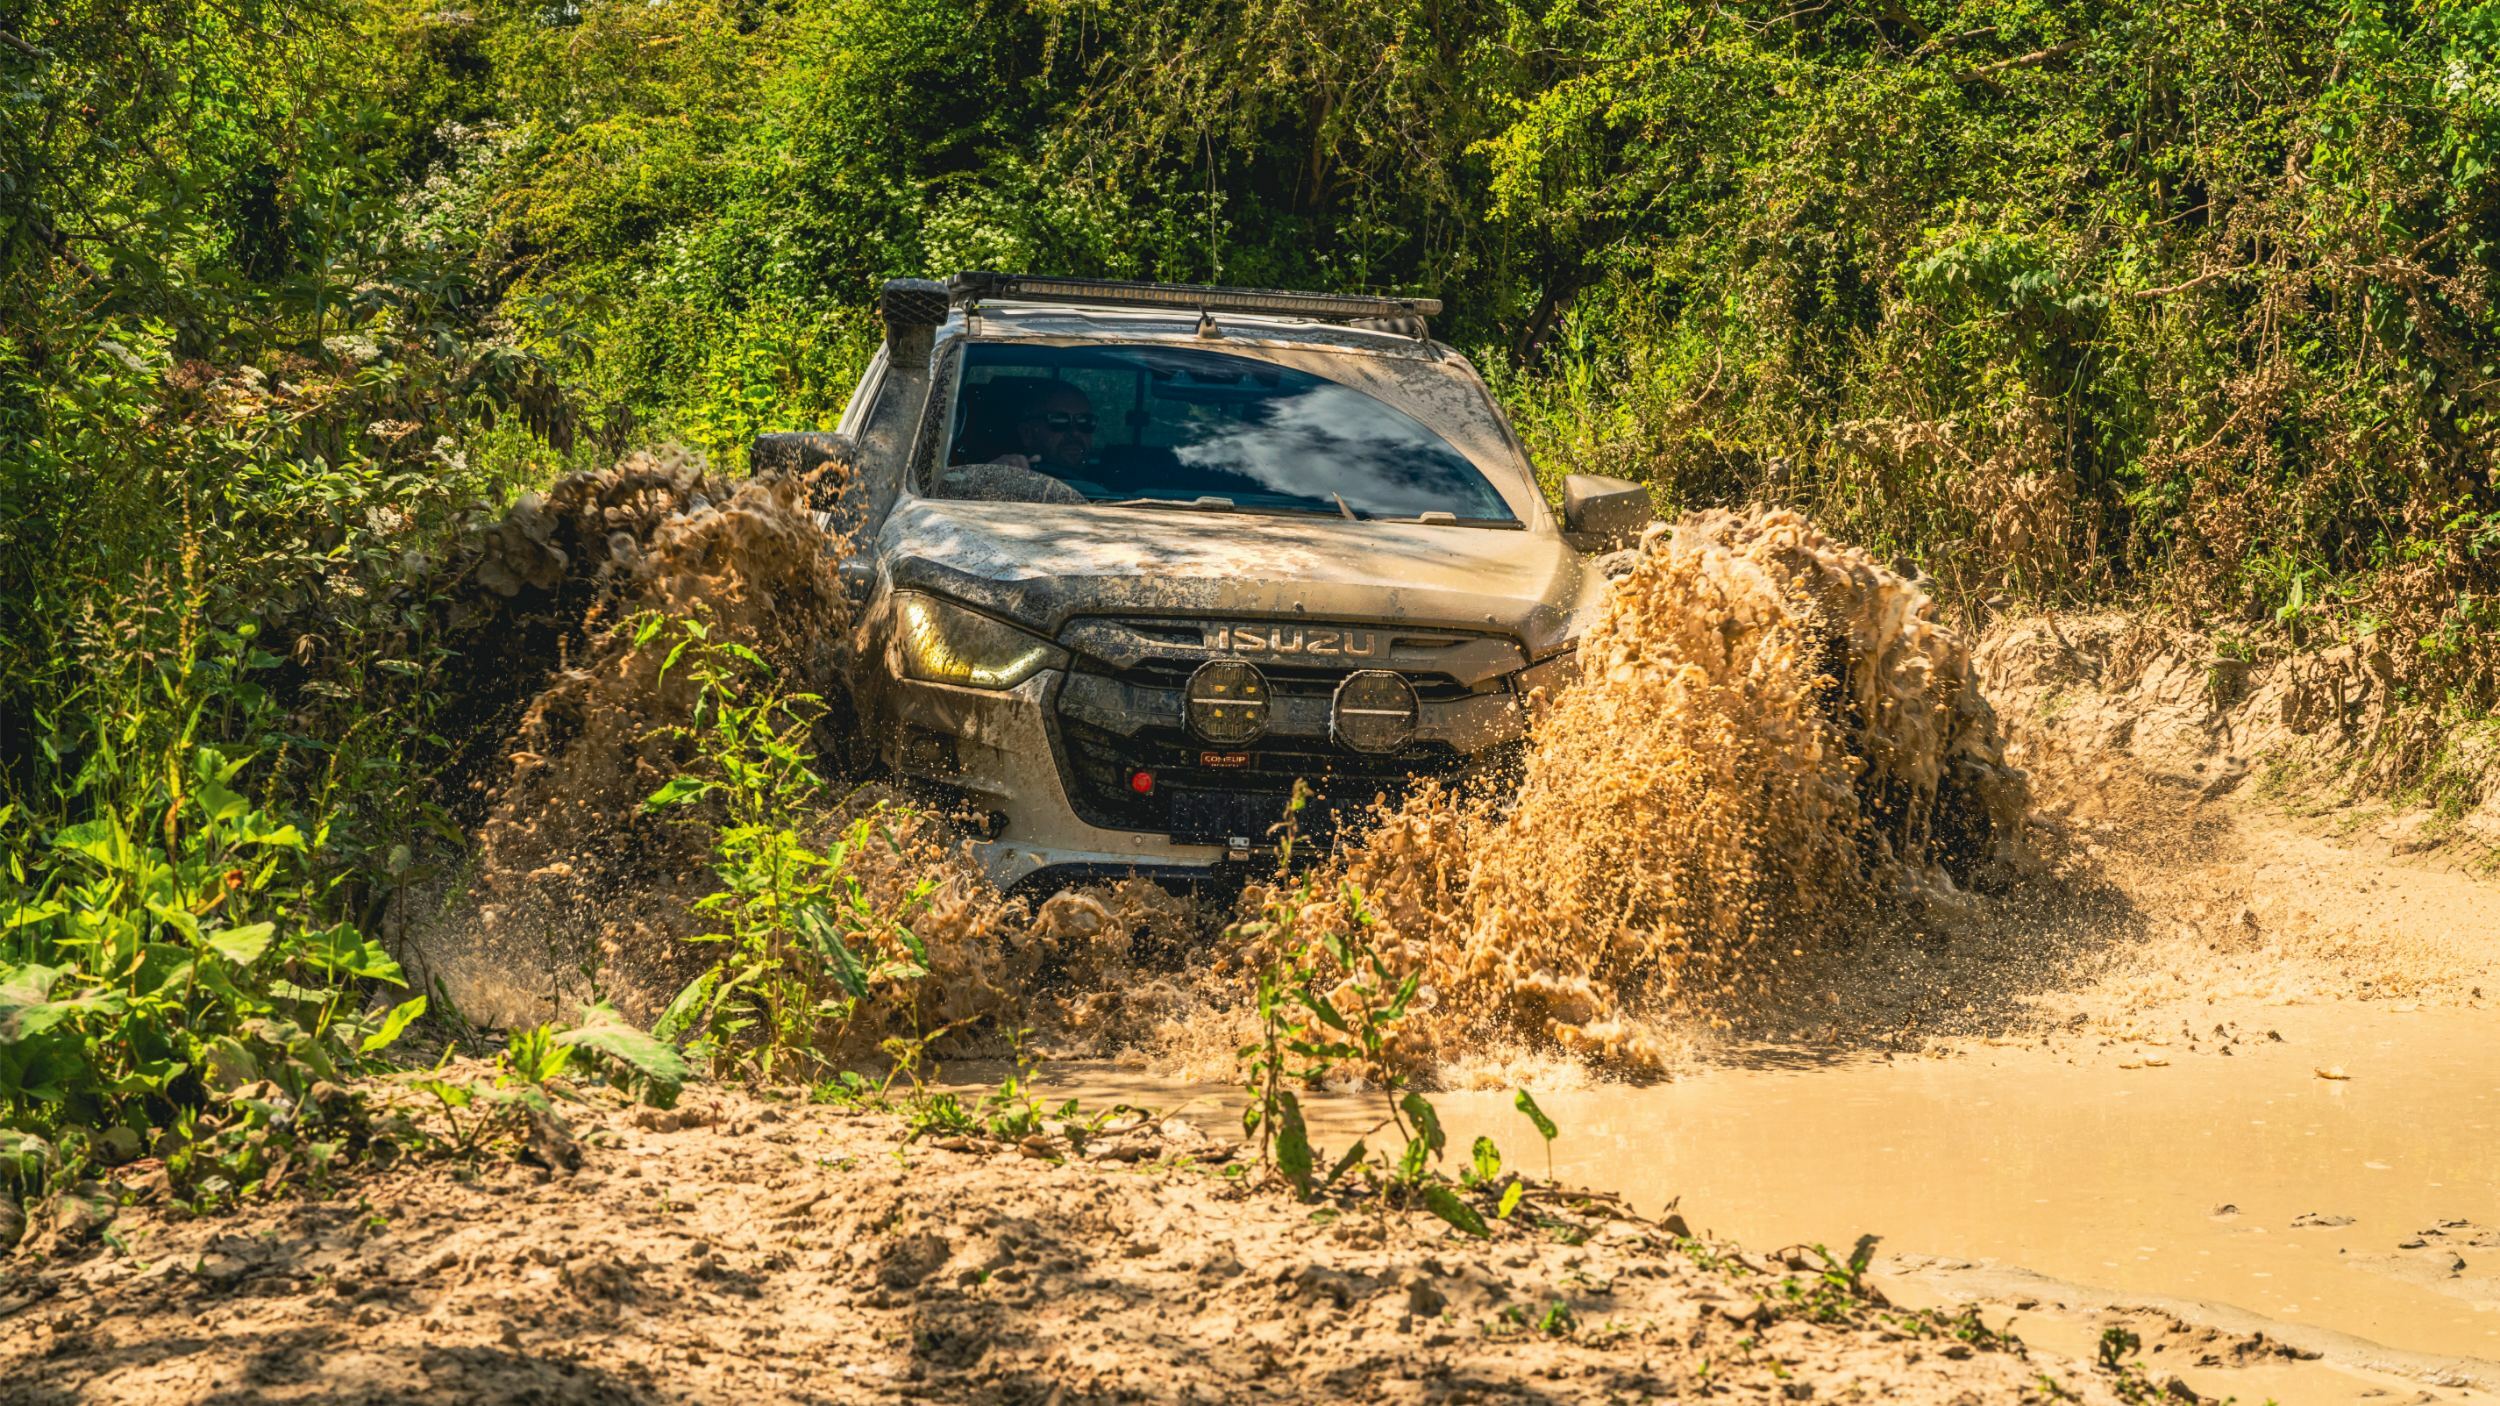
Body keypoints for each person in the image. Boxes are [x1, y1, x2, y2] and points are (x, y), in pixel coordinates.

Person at [938, 380, 1095, 504]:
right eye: (1059, 421)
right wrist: (986, 478)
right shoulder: (1001, 476)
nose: (1074, 432)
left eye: (1085, 422)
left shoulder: (1116, 485)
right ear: (1027, 433)